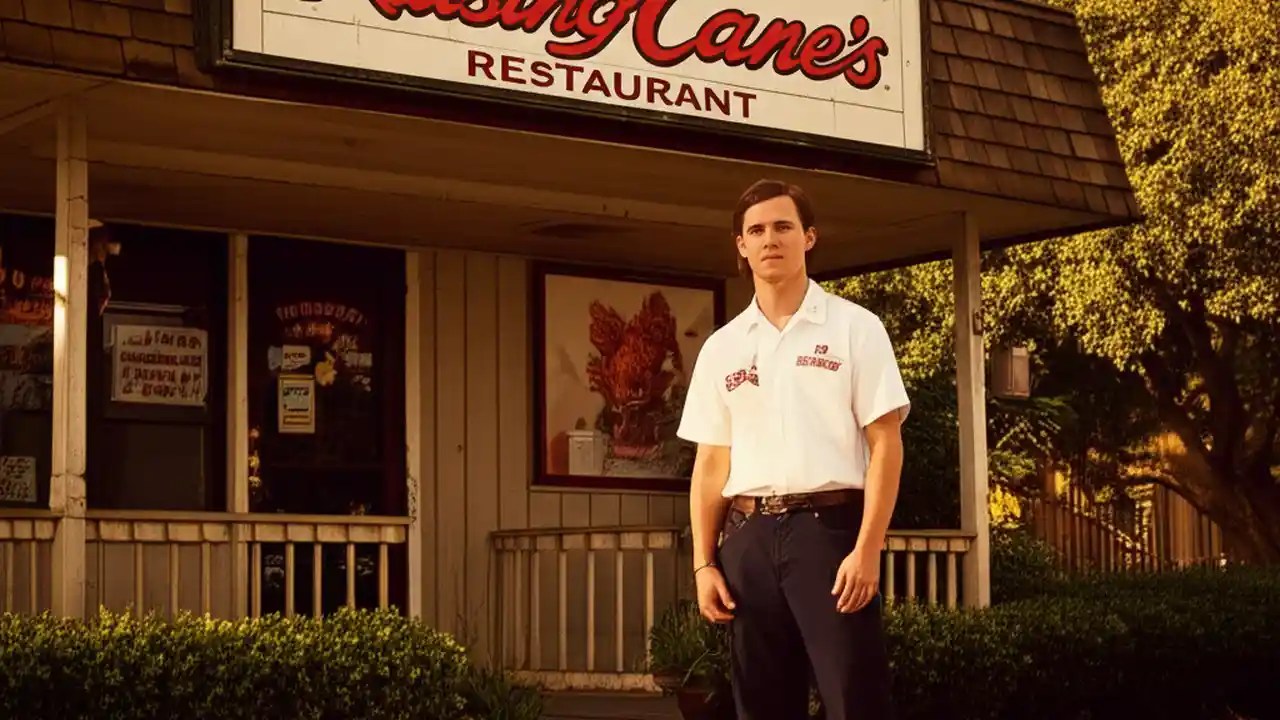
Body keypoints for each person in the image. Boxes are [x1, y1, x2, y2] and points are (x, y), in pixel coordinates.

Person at [675, 179, 909, 720]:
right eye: (756, 230)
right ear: (741, 245)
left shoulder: (856, 328)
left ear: (809, 237)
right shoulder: (722, 347)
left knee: (854, 699)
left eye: (783, 226)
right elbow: (711, 464)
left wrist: (868, 547)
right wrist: (704, 563)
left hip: (829, 536)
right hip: (749, 541)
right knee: (760, 706)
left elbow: (886, 444)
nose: (770, 239)